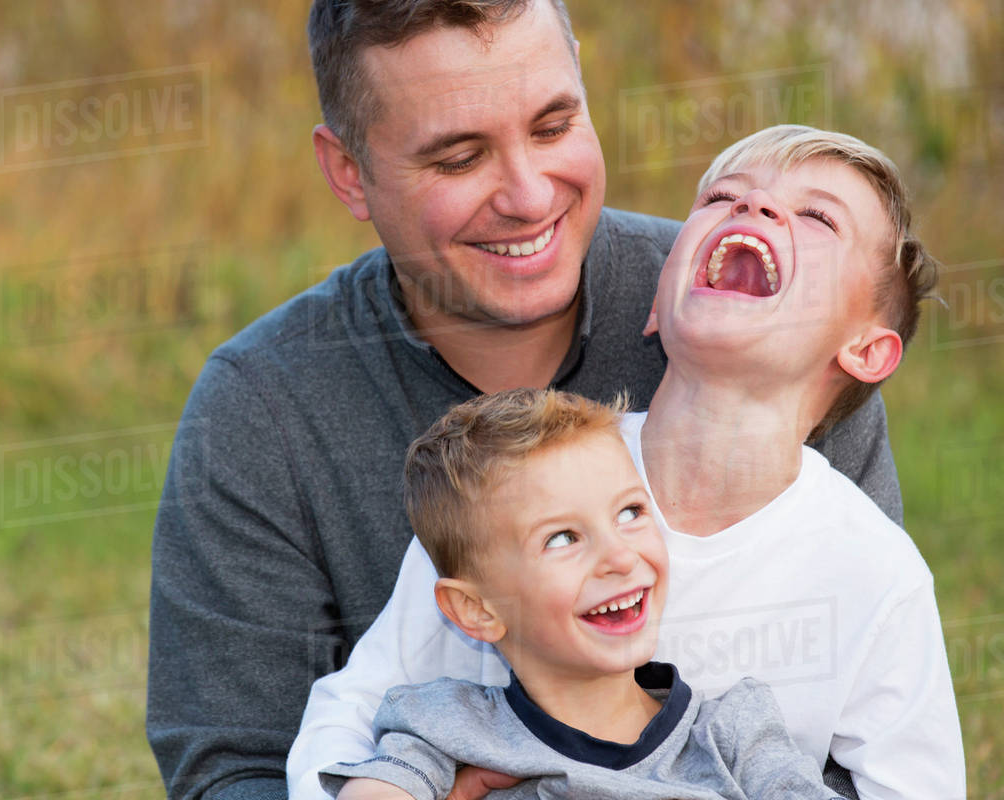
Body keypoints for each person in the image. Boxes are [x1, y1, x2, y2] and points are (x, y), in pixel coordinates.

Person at [146, 2, 904, 798]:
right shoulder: (265, 409)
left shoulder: (755, 332)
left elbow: (866, 740)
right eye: (459, 157)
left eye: (552, 126)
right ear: (349, 171)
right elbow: (233, 768)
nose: (529, 193)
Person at [288, 125, 964, 800]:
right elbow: (352, 713)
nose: (753, 208)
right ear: (656, 303)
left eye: (818, 216)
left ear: (866, 352)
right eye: (723, 197)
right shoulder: (520, 483)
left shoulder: (875, 573)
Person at [320, 388, 842, 800]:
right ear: (476, 610)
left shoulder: (734, 734)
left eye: (630, 513)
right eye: (562, 538)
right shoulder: (447, 727)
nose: (619, 557)